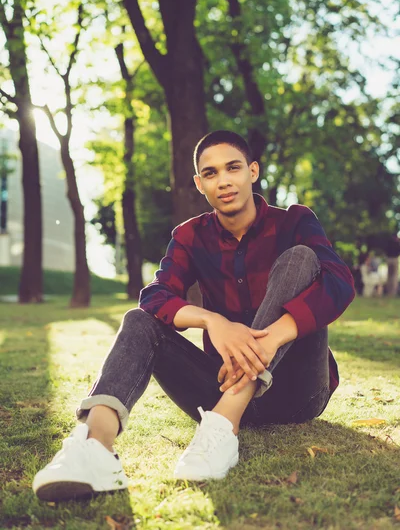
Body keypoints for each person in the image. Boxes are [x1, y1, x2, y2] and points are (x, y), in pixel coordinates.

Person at [33, 131, 355, 501]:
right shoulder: (189, 236)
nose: (224, 181)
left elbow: (339, 281)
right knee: (138, 320)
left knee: (301, 260)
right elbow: (156, 296)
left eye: (233, 168)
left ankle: (223, 426)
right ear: (200, 184)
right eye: (211, 173)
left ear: (252, 171)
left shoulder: (294, 222)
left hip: (298, 394)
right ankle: (94, 448)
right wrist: (213, 322)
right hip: (215, 388)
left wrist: (272, 338)